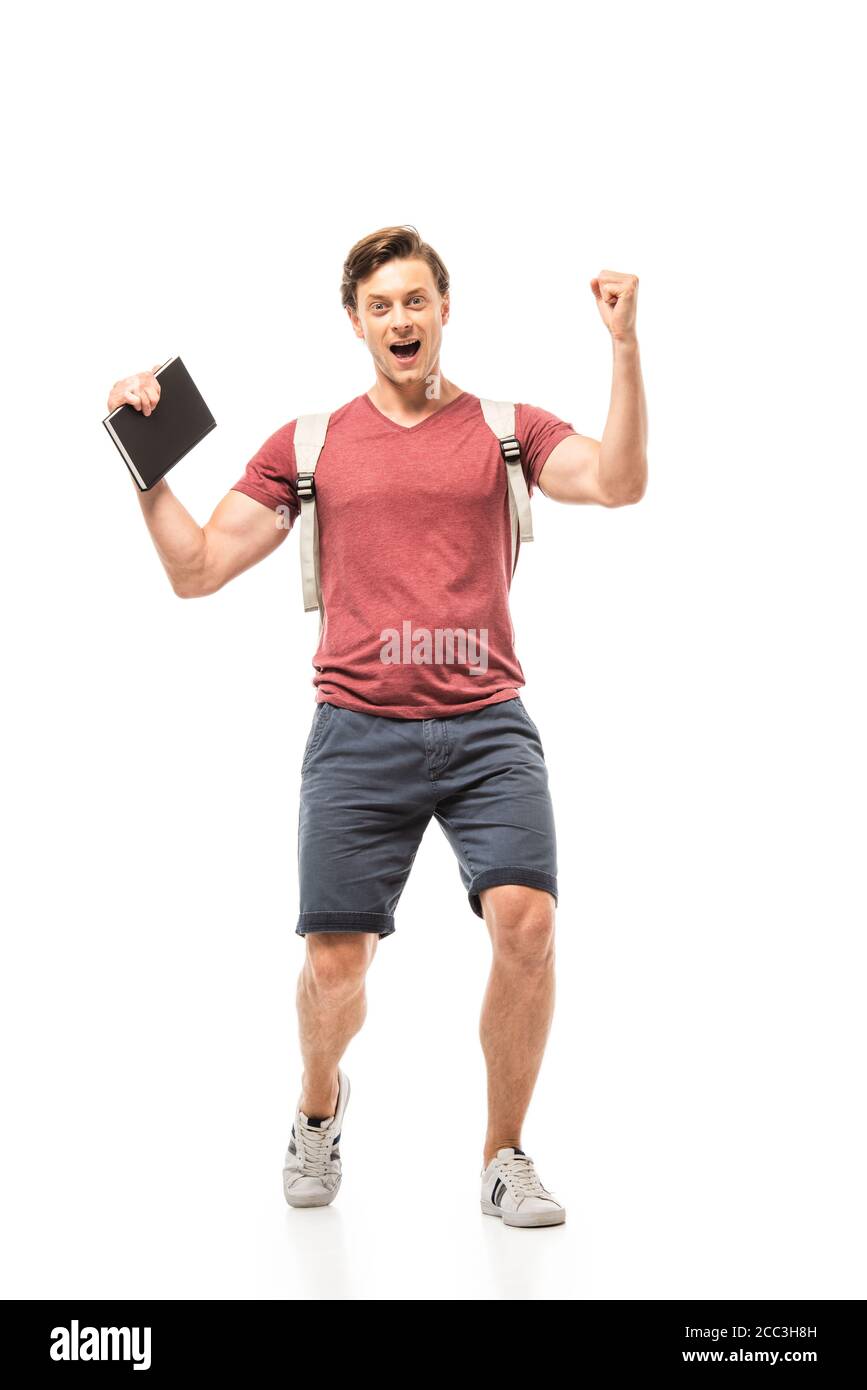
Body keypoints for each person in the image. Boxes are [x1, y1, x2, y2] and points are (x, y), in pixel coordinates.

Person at [107, 225, 648, 1230]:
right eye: (381, 304)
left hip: (488, 726)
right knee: (334, 970)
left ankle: (504, 1154)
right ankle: (318, 1106)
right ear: (356, 321)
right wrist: (144, 460)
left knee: (527, 923)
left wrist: (622, 345)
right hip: (358, 730)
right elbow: (196, 570)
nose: (402, 318)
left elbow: (617, 480)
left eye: (417, 299)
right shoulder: (310, 446)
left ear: (445, 309)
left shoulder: (505, 429)